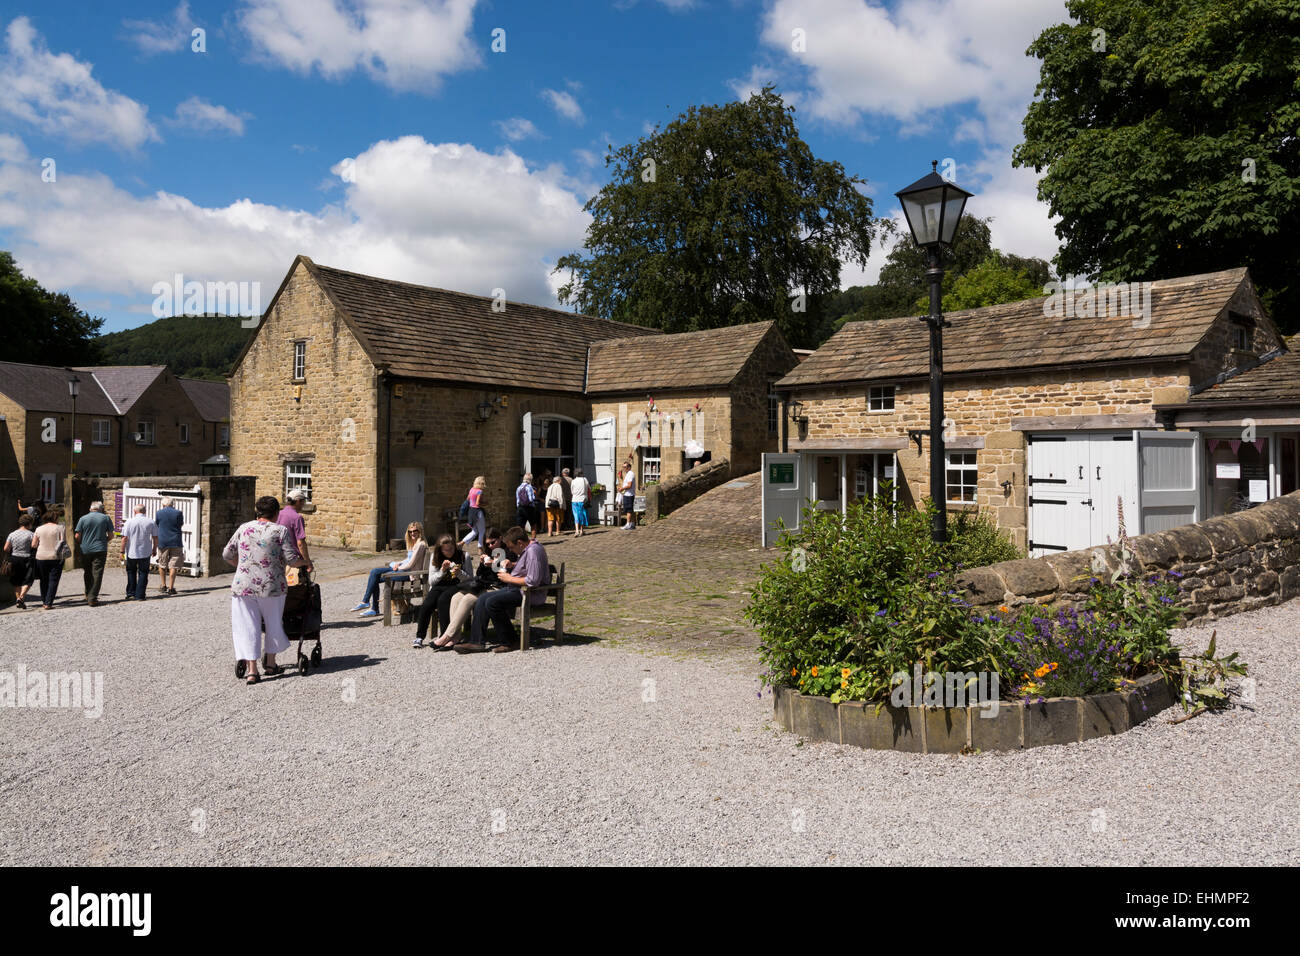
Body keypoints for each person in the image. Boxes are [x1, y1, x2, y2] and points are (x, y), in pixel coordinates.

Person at [222, 495, 310, 684]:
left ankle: (252, 671)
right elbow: (292, 559)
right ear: (277, 513)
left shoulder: (243, 528)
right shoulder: (280, 531)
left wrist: (241, 566)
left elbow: (227, 553)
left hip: (243, 585)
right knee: (273, 623)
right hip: (272, 586)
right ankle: (270, 663)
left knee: (246, 626)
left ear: (258, 512)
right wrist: (306, 562)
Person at [457, 526, 549, 653]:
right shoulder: (529, 548)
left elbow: (532, 581)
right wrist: (513, 564)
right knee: (483, 598)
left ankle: (511, 641)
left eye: (511, 547)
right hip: (518, 589)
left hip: (528, 593)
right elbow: (528, 566)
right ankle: (476, 642)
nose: (511, 550)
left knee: (492, 602)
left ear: (520, 543)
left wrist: (509, 578)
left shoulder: (533, 551)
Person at [352, 522, 426, 617]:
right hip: (404, 571)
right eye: (410, 531)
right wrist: (398, 563)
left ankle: (373, 607)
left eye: (415, 531)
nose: (412, 533)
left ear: (419, 531)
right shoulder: (414, 543)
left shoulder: (420, 545)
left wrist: (398, 567)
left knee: (375, 578)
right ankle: (366, 602)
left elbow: (411, 564)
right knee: (374, 572)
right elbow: (408, 559)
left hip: (409, 574)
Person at [411, 534, 473, 647]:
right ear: (440, 550)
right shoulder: (436, 556)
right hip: (439, 585)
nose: (449, 552)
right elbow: (432, 581)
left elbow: (470, 580)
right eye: (446, 550)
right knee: (427, 604)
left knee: (443, 601)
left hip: (457, 585)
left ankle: (444, 635)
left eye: (451, 549)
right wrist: (442, 571)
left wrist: (459, 573)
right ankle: (419, 637)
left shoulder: (464, 556)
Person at [73, 501, 113, 607]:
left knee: (87, 572)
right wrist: (104, 541)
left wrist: (83, 543)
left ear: (91, 509)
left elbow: (77, 536)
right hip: (100, 549)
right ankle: (92, 597)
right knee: (97, 573)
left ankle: (87, 593)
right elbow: (111, 535)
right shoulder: (106, 518)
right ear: (101, 509)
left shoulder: (83, 519)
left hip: (85, 549)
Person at [30, 510, 68, 611]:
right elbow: (63, 541)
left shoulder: (39, 529)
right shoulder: (60, 528)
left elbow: (33, 545)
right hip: (56, 557)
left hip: (41, 557)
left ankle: (44, 601)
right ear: (55, 518)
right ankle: (48, 602)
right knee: (53, 580)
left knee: (43, 579)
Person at [121, 505, 158, 601]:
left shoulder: (129, 522)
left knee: (131, 571)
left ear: (134, 511)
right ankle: (140, 594)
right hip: (145, 551)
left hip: (131, 551)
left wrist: (122, 551)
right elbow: (155, 537)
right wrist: (154, 549)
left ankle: (131, 593)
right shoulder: (150, 521)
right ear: (145, 511)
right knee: (143, 572)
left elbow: (124, 538)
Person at [275, 489, 314, 578]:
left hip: (278, 557)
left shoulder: (278, 514)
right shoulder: (297, 518)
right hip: (294, 560)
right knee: (299, 588)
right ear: (298, 501)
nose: (303, 505)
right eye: (303, 502)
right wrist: (307, 562)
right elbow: (300, 543)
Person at [153, 496, 185, 595]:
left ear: (163, 504)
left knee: (162, 564)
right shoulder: (178, 513)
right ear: (172, 504)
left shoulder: (159, 513)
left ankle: (163, 586)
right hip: (176, 541)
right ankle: (171, 587)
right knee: (173, 565)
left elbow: (157, 524)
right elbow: (180, 524)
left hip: (163, 541)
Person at [4, 514, 36, 609]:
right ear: (29, 523)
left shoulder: (12, 534)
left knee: (16, 580)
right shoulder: (31, 534)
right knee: (28, 579)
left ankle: (18, 599)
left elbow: (6, 548)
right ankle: (21, 597)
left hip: (14, 558)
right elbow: (34, 546)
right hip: (27, 559)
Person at [460, 476, 487, 548]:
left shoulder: (471, 489)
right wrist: (485, 504)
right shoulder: (479, 491)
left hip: (471, 512)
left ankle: (461, 543)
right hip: (478, 512)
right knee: (482, 531)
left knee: (474, 531)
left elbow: (468, 499)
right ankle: (480, 547)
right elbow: (478, 503)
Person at [515, 473, 539, 540]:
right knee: (533, 525)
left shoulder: (519, 487)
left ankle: (522, 540)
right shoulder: (529, 487)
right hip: (529, 508)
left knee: (521, 526)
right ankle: (533, 540)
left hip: (520, 508)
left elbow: (517, 501)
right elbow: (531, 499)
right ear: (530, 479)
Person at [569, 467, 591, 536]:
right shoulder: (584, 479)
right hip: (583, 500)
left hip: (575, 500)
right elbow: (589, 488)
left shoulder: (573, 481)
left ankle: (576, 531)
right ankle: (581, 530)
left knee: (576, 515)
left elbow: (572, 491)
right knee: (582, 515)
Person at [619, 460, 638, 530]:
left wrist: (622, 488)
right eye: (623, 467)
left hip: (629, 495)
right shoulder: (628, 474)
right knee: (630, 510)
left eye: (625, 467)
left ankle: (628, 524)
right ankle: (632, 524)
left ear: (629, 467)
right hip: (627, 494)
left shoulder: (630, 474)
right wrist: (622, 489)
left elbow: (629, 485)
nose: (624, 468)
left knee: (628, 510)